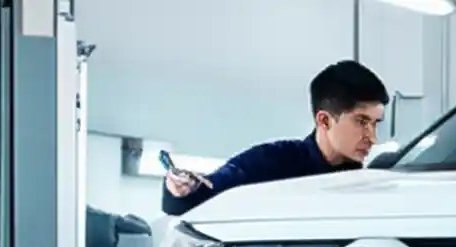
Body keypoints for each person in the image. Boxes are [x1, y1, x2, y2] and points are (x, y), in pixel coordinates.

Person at [162, 60, 389, 216]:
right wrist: (183, 189)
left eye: (376, 123)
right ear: (325, 120)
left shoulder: (368, 182)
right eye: (361, 122)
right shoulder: (272, 162)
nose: (372, 137)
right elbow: (208, 192)